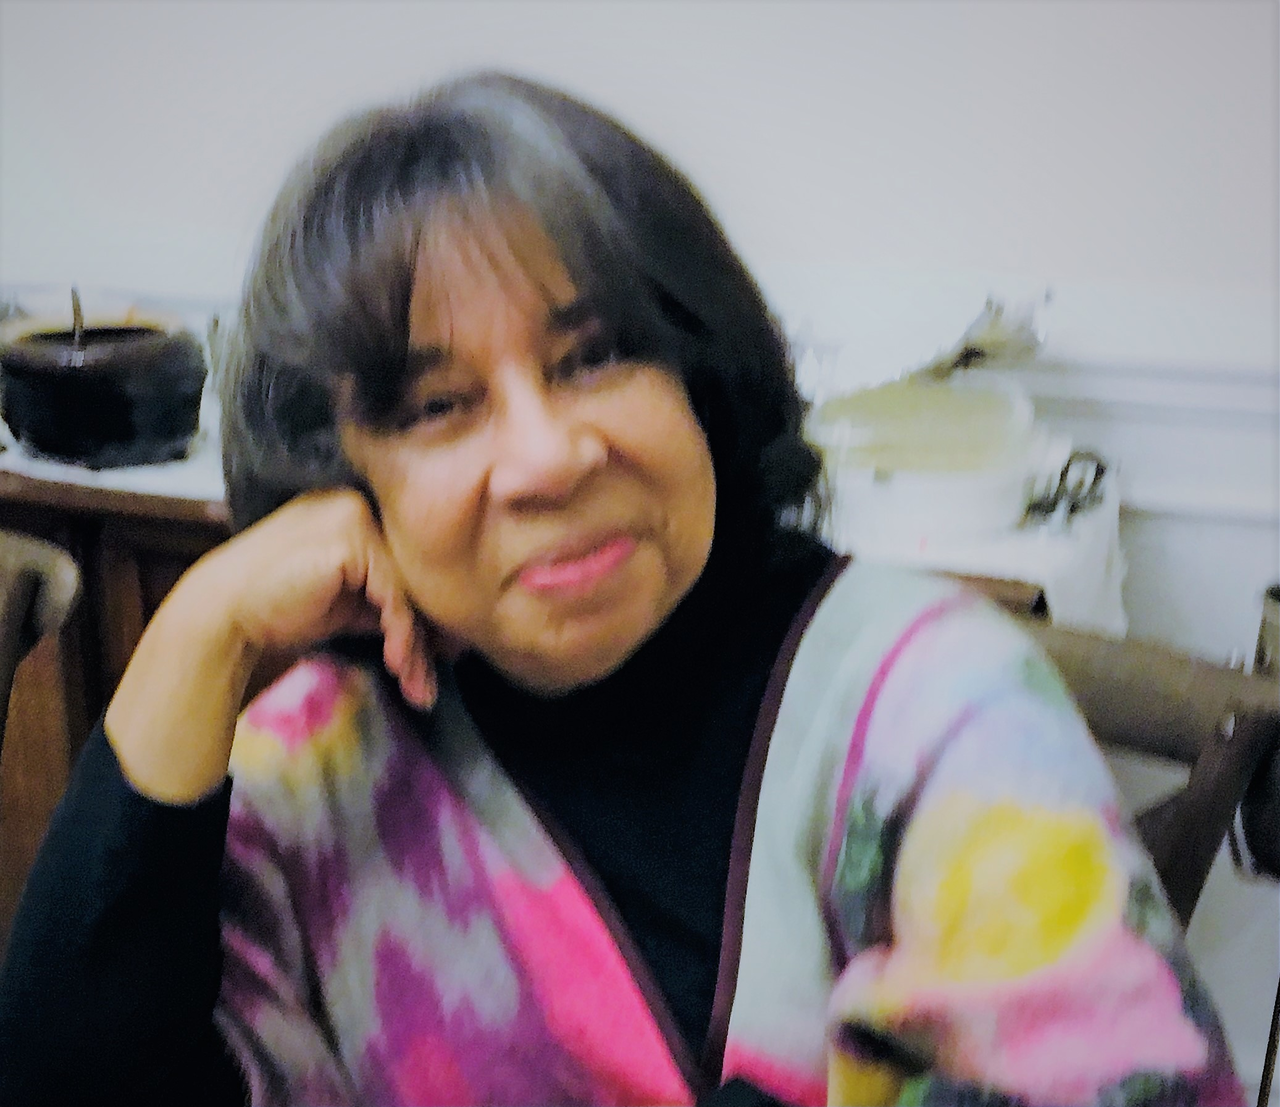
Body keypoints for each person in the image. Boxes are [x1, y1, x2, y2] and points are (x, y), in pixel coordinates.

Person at [0, 72, 1245, 1107]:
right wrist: (199, 631)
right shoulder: (324, 766)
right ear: (345, 477)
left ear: (696, 368)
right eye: (438, 406)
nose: (546, 458)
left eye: (593, 356)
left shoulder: (936, 709)